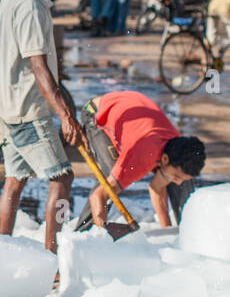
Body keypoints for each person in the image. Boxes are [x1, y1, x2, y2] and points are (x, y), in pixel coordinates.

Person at [0, 0, 84, 253]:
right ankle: (53, 254)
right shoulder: (29, 4)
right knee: (62, 178)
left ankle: (2, 247)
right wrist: (66, 116)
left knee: (15, 179)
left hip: (3, 105)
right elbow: (38, 66)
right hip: (25, 110)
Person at [77, 90, 206, 230]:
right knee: (109, 180)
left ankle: (183, 231)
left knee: (182, 184)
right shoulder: (142, 156)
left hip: (130, 109)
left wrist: (167, 231)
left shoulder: (177, 145)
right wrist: (101, 233)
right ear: (164, 158)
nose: (179, 181)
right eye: (176, 176)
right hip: (97, 111)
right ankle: (83, 233)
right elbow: (98, 195)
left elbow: (157, 186)